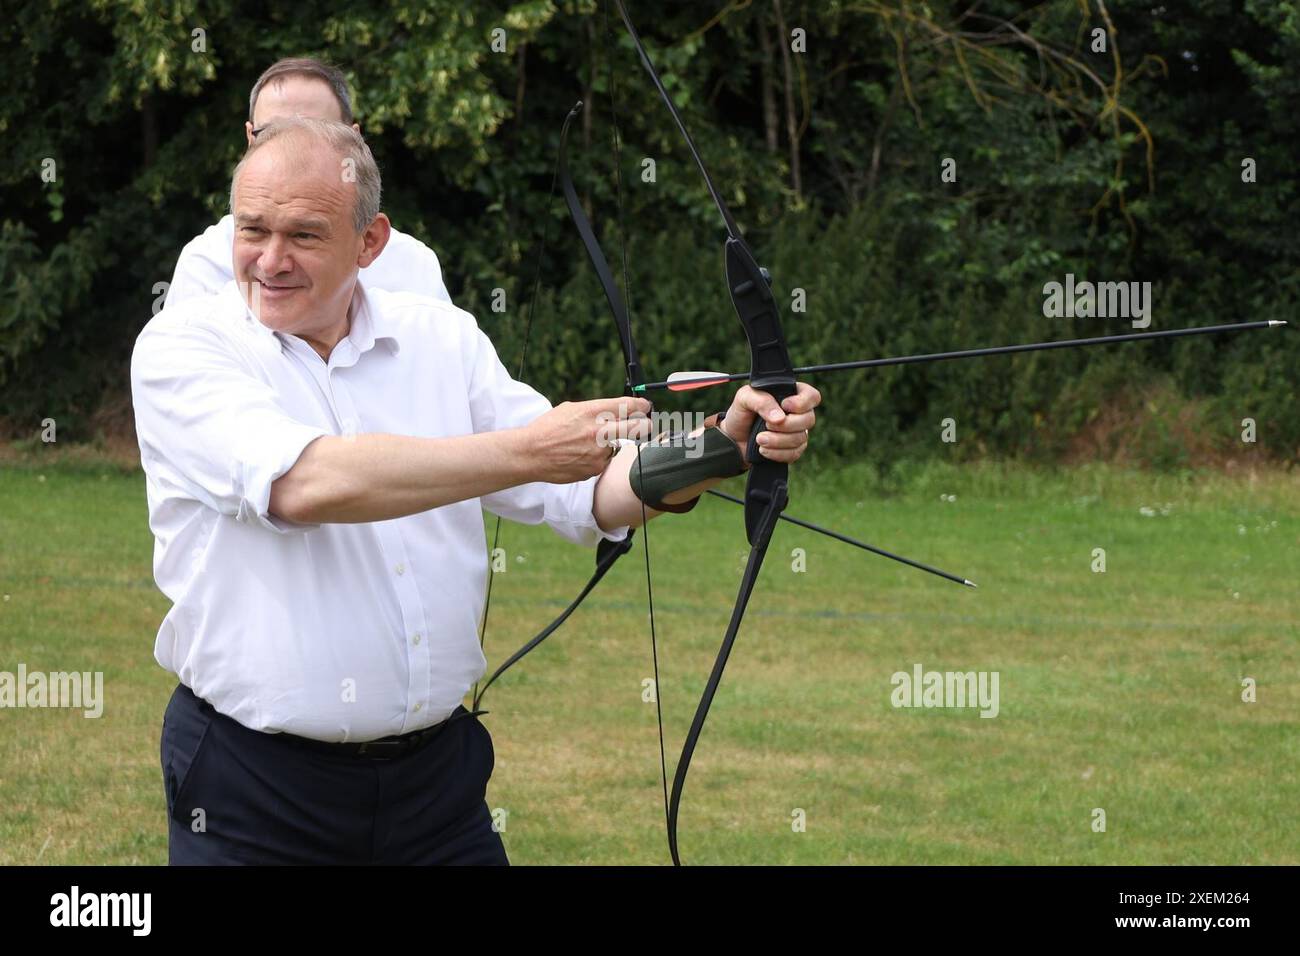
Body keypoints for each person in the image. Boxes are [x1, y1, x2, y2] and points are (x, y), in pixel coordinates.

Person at [131, 117, 820, 865]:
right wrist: (523, 450)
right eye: (252, 229)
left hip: (437, 792)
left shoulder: (440, 339)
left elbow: (585, 490)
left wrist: (721, 447)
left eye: (303, 235)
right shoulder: (184, 347)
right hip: (256, 793)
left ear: (370, 243)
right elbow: (303, 483)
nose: (270, 260)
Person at [166, 57, 451, 306]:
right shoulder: (206, 264)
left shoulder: (411, 267)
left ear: (354, 141)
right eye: (273, 132)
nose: (295, 149)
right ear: (250, 139)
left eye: (318, 132)